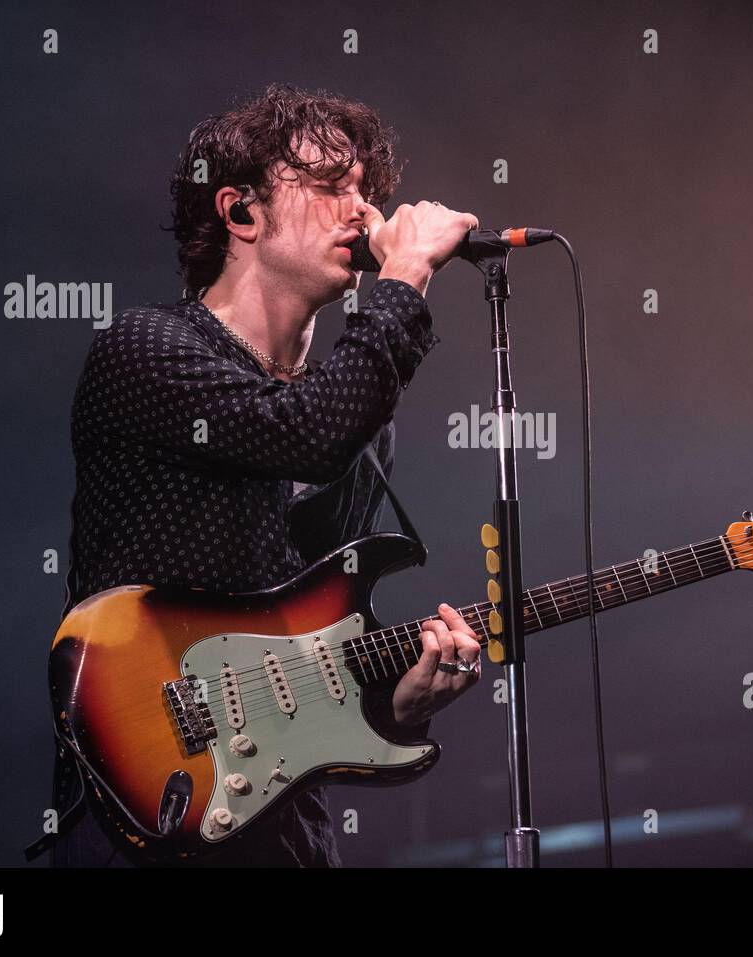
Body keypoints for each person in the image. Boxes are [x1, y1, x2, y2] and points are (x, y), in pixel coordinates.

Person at [47, 83, 483, 866]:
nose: (363, 211)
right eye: (329, 187)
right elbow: (303, 436)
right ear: (240, 213)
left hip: (282, 827)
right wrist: (406, 279)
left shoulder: (359, 417)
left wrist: (400, 701)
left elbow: (305, 645)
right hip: (147, 814)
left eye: (364, 190)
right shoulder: (144, 350)